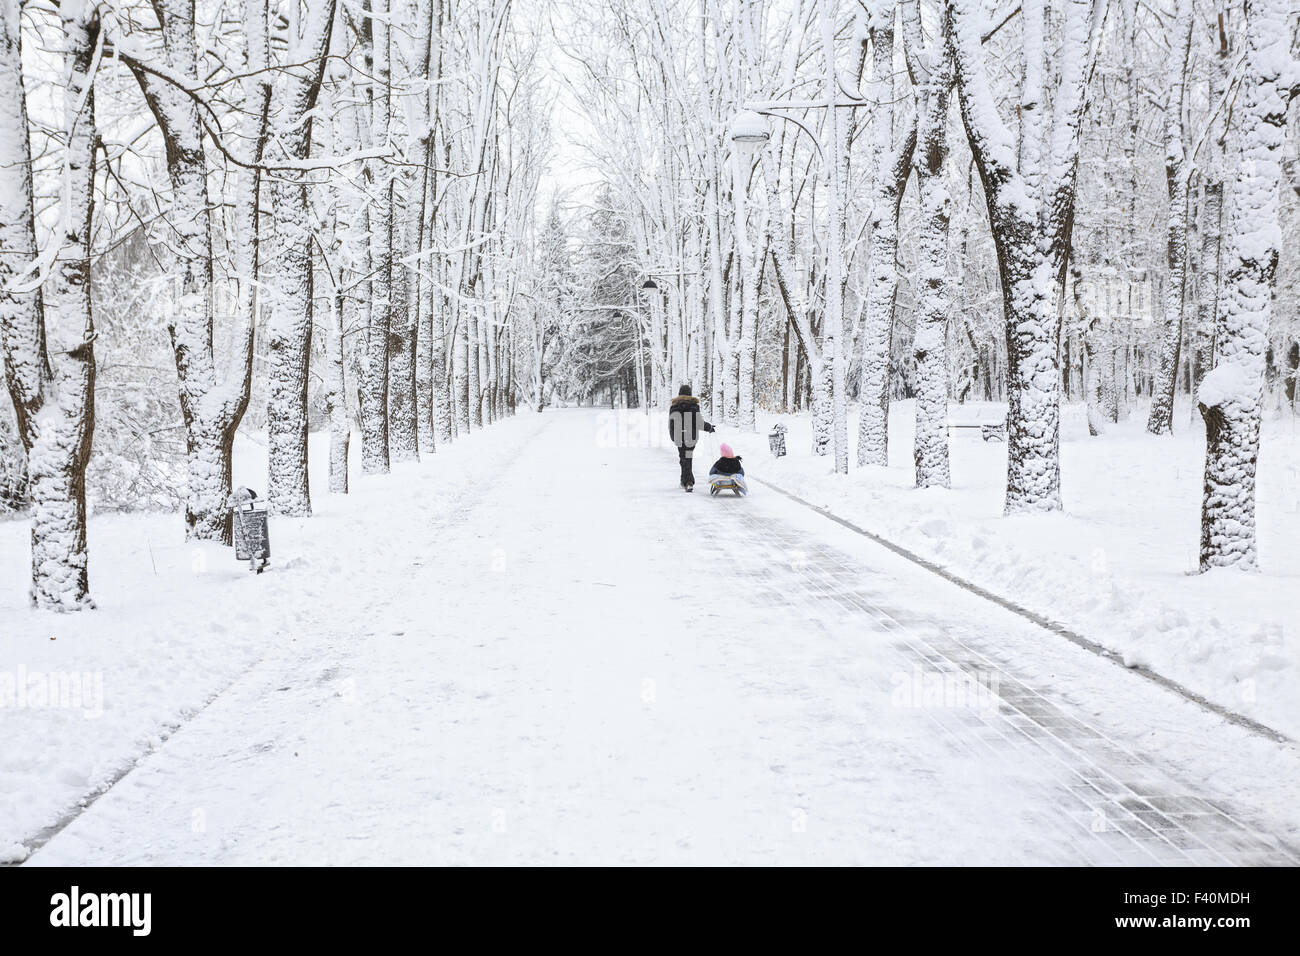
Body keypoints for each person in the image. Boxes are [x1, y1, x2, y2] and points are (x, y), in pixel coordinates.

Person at [667, 385, 714, 491]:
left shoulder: (674, 406)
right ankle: (687, 481)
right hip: (690, 437)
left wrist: (673, 437)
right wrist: (709, 427)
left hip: (679, 436)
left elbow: (671, 424)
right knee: (687, 458)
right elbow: (698, 422)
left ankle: (686, 481)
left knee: (683, 458)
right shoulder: (693, 406)